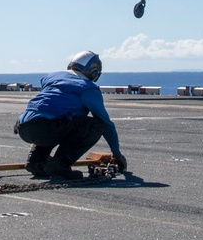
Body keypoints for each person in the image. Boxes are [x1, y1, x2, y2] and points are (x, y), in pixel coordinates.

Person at [14, 51, 127, 180]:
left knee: (58, 118)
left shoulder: (51, 77)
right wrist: (117, 154)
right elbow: (106, 124)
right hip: (46, 128)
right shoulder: (88, 88)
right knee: (96, 124)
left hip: (23, 126)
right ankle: (60, 165)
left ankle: (35, 161)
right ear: (93, 69)